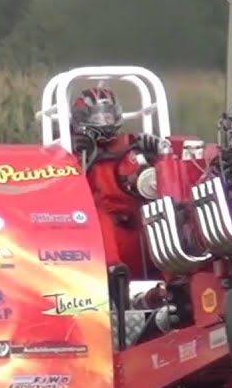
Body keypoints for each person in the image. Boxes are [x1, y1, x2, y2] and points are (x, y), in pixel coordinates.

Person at [69, 86, 163, 275]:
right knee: (100, 215)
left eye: (107, 116)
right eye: (97, 118)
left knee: (163, 210)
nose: (103, 122)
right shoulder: (71, 151)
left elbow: (152, 184)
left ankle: (175, 276)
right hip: (95, 226)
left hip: (135, 221)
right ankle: (113, 271)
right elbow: (69, 190)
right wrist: (82, 157)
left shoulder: (131, 144)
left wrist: (157, 157)